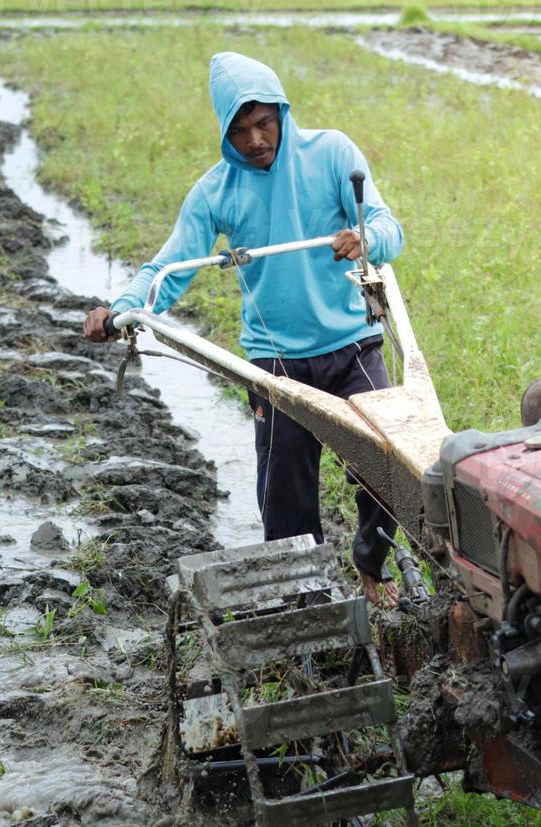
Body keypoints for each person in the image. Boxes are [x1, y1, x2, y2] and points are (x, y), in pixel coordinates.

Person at [81, 52, 405, 606]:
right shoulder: (215, 191)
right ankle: (306, 600)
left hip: (353, 345)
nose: (255, 139)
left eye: (264, 123)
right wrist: (121, 310)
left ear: (282, 113)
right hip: (277, 363)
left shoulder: (332, 153)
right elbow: (168, 268)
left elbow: (385, 225)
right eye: (240, 130)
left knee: (386, 464)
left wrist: (365, 238)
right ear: (224, 133)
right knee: (286, 493)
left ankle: (372, 565)